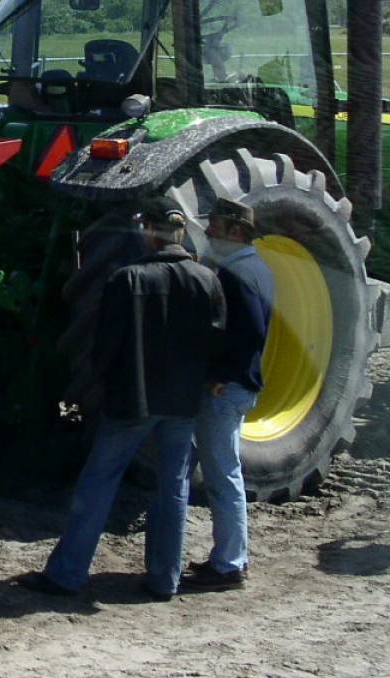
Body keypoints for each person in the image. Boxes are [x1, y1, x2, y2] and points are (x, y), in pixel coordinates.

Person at [18, 195, 226, 602]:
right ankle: (165, 579)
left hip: (134, 402)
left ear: (148, 230)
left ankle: (67, 574)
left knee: (98, 482)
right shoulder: (208, 280)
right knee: (174, 488)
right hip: (183, 405)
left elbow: (105, 349)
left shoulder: (127, 280)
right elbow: (216, 343)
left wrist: (104, 388)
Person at [182, 197, 275, 592]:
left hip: (227, 389)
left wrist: (222, 374)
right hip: (238, 387)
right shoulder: (258, 268)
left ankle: (229, 565)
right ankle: (230, 558)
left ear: (236, 231)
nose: (208, 231)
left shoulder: (236, 274)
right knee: (225, 471)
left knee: (222, 475)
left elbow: (252, 331)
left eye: (216, 225)